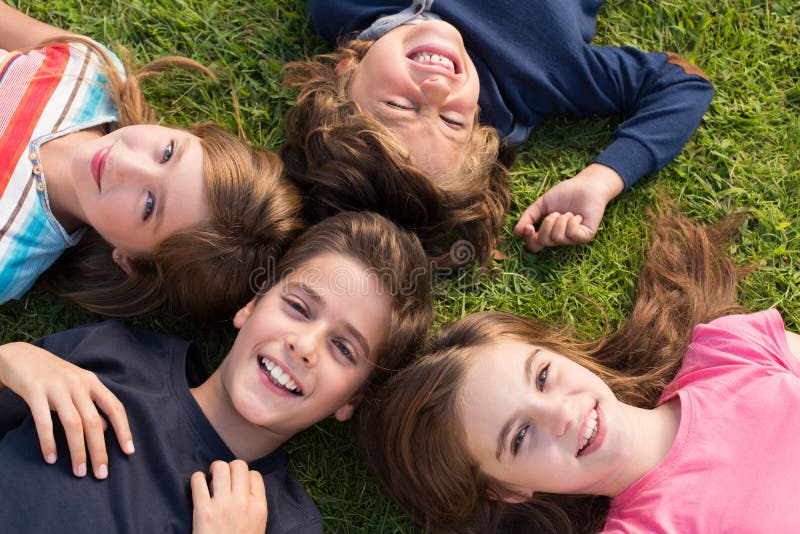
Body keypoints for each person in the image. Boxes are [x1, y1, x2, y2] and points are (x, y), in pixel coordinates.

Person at [359, 206, 800, 532]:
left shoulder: (731, 349)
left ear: (557, 351)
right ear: (509, 491)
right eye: (519, 436)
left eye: (543, 376)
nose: (560, 414)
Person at [0, 211, 434, 532]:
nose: (304, 347)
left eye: (343, 348)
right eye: (298, 307)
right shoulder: (115, 356)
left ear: (351, 400)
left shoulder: (283, 525)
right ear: (252, 304)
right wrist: (10, 361)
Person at [280, 0, 713, 266]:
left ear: (345, 76)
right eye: (451, 122)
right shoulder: (545, 73)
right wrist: (600, 180)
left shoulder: (341, 6)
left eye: (400, 106)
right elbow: (681, 83)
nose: (435, 88)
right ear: (480, 129)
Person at [0, 3, 303, 321]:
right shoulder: (90, 73)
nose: (127, 165)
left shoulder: (8, 255)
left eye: (148, 206)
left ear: (129, 261)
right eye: (168, 153)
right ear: (184, 132)